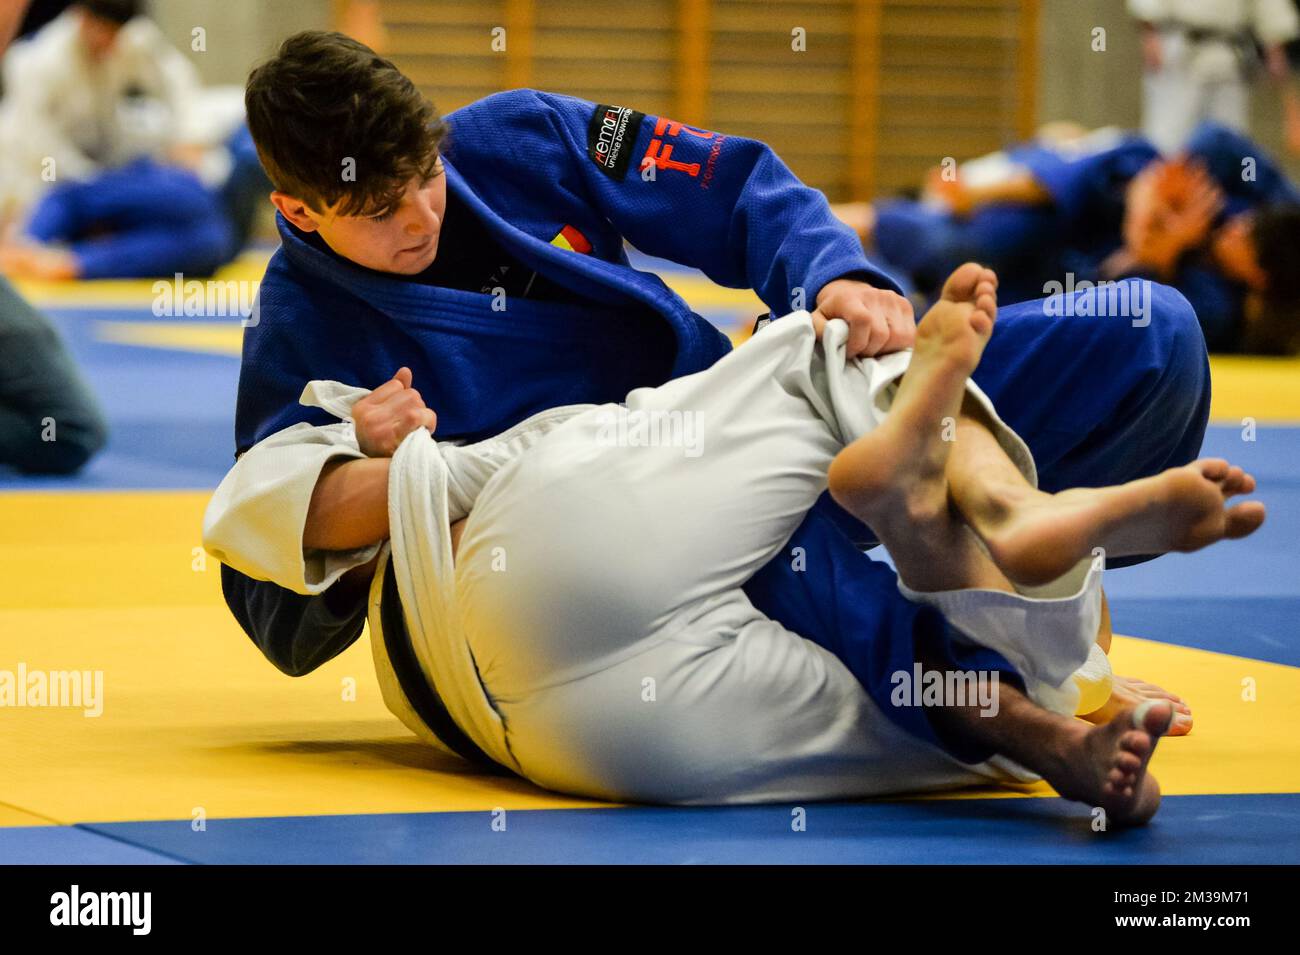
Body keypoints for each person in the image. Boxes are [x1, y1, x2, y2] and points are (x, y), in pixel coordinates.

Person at [218, 32, 1211, 755]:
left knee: (1150, 339)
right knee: (819, 562)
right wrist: (370, 480)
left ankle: (1019, 564)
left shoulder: (520, 138)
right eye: (378, 209)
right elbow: (267, 593)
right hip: (654, 550)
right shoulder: (303, 324)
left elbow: (725, 185)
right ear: (296, 211)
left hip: (768, 406)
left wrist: (837, 275)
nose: (419, 214)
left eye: (426, 177)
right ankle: (1043, 663)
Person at [205, 263, 1261, 819]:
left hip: (585, 740)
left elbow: (257, 513)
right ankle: (994, 506)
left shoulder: (520, 446)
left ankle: (1050, 735)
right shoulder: (511, 437)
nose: (419, 219)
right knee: (821, 345)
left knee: (928, 683)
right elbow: (277, 505)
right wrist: (379, 445)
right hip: (562, 590)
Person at [0, 0, 263, 279]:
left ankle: (72, 261)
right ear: (81, 19)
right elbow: (40, 150)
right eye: (103, 33)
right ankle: (54, 254)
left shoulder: (134, 41)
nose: (109, 44)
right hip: (57, 187)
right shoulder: (36, 61)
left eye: (115, 35)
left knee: (210, 241)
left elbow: (177, 84)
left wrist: (188, 142)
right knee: (204, 224)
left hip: (110, 179)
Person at [1129, 0, 1300, 154]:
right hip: (1178, 49)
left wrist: (1274, 45)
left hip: (1229, 52)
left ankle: (1229, 186)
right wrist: (1149, 32)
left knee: (1231, 141)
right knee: (1169, 139)